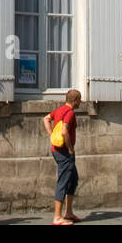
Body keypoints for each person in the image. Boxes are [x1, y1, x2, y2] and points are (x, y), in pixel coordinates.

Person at [43, 88, 82, 225]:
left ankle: (69, 213)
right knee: (64, 181)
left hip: (57, 150)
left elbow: (46, 119)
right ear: (75, 100)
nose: (81, 102)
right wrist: (71, 149)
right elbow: (65, 132)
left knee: (73, 178)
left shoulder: (59, 110)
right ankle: (57, 217)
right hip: (64, 152)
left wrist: (51, 135)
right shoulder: (70, 113)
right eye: (80, 99)